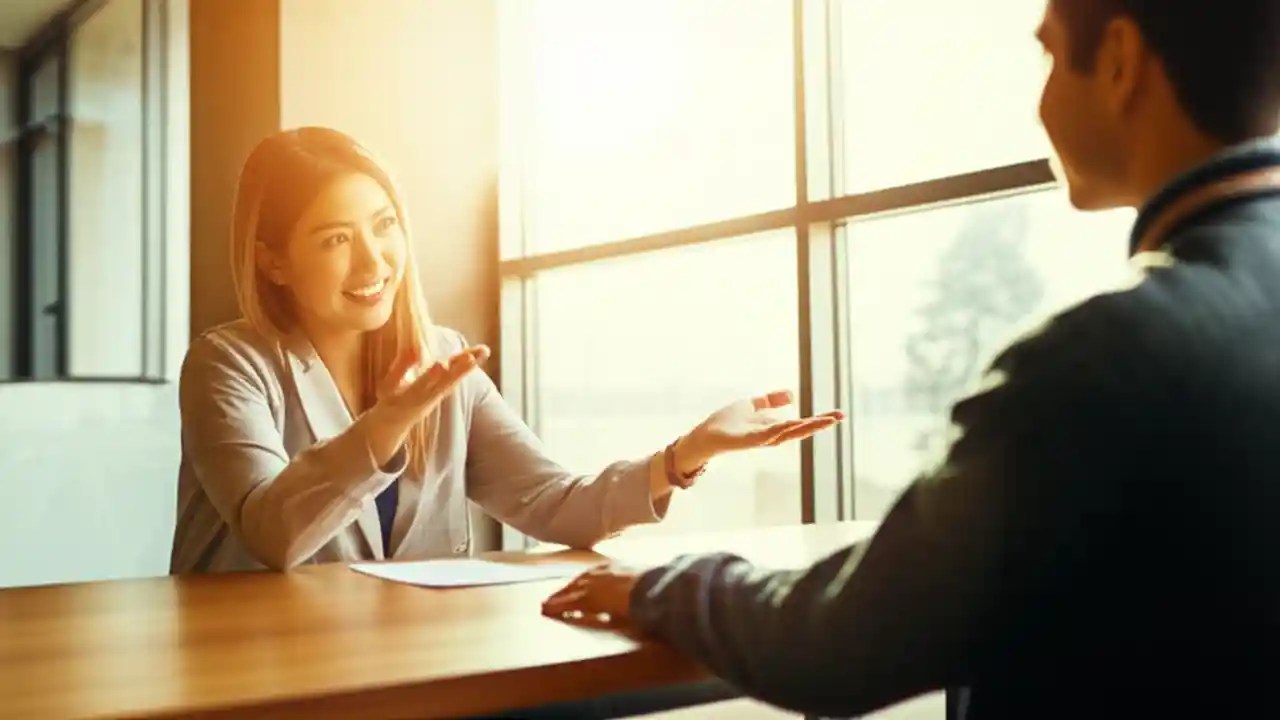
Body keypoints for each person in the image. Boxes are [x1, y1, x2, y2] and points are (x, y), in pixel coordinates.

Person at [543, 0, 1280, 716]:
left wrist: (657, 588)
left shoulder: (1097, 362)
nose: (1041, 103)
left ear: (1120, 62)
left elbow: (838, 642)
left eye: (1051, 54)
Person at [170, 127, 843, 573]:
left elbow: (553, 505)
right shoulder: (228, 365)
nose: (374, 260)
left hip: (402, 664)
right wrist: (391, 421)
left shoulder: (445, 357)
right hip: (253, 668)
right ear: (274, 263)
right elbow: (272, 535)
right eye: (335, 240)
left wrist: (685, 455)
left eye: (384, 227)